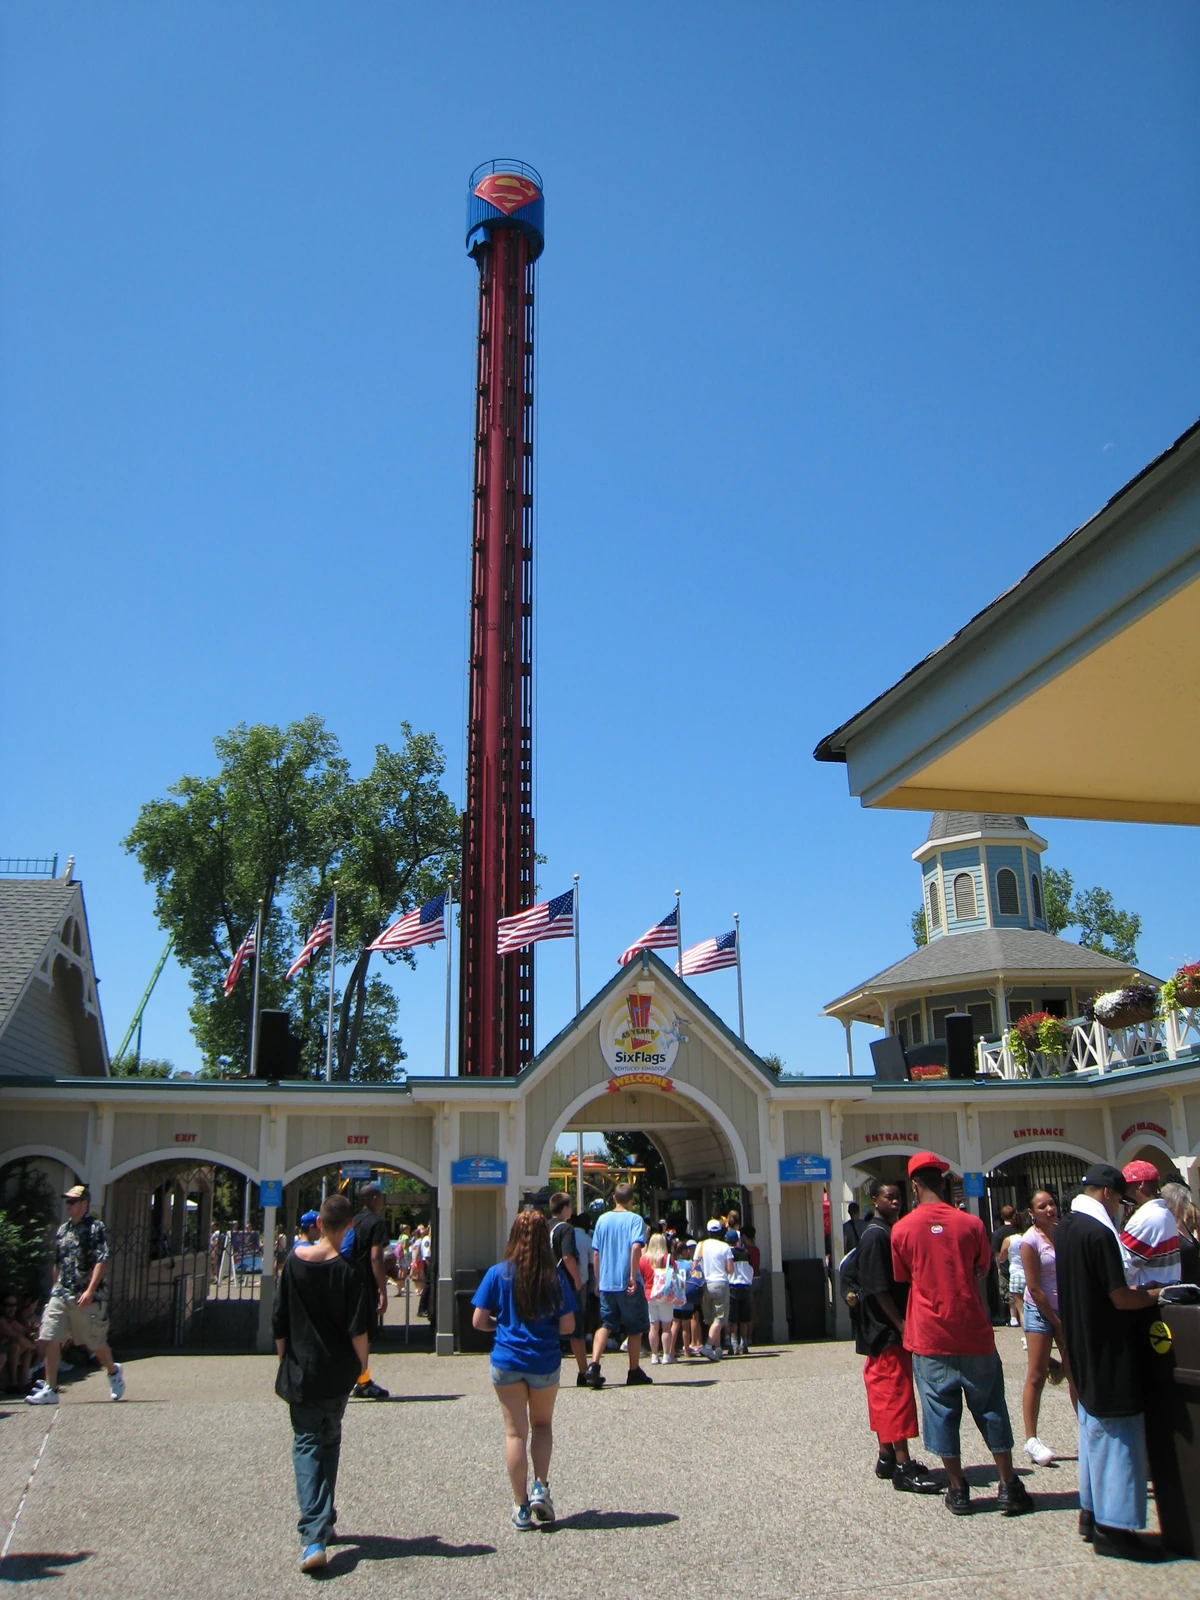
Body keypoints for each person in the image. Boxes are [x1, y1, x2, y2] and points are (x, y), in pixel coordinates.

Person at [890, 1153, 1034, 1518]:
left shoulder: (902, 1230)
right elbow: (982, 1268)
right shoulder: (971, 1225)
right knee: (991, 1408)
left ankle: (957, 1488)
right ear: (943, 1182)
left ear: (914, 1185)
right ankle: (1008, 1483)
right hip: (972, 1330)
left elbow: (904, 1276)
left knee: (940, 1411)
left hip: (929, 1333)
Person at [1056, 1162, 1167, 1561]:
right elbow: (1120, 1296)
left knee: (1093, 1434)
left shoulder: (1066, 1228)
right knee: (1119, 1437)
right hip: (1108, 1348)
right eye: (1120, 1200)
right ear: (1108, 1194)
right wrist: (1154, 1296)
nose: (1121, 1207)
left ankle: (1090, 1511)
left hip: (1082, 1345)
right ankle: (1116, 1526)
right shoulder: (1099, 1232)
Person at [273, 1192, 372, 1573]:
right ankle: (322, 1519)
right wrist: (361, 1366)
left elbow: (279, 1319)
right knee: (328, 1440)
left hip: (302, 1369)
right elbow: (357, 1329)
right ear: (348, 1226)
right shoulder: (350, 1271)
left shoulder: (293, 1264)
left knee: (308, 1444)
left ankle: (314, 1532)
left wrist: (285, 1358)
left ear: (319, 1225)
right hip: (338, 1372)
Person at [472, 1209, 576, 1530]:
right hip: (543, 1361)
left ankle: (520, 1507)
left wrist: (501, 1326)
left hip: (507, 1361)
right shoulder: (554, 1276)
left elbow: (477, 1321)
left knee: (514, 1432)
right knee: (542, 1425)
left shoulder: (497, 1273)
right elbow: (568, 1326)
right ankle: (540, 1488)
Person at [853, 1178, 939, 1494]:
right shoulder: (876, 1237)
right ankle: (903, 1465)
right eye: (889, 1197)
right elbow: (877, 1288)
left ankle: (887, 1455)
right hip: (885, 1330)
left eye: (898, 1197)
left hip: (879, 1330)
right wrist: (901, 1323)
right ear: (874, 1199)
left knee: (884, 1391)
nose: (895, 1202)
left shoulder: (884, 1233)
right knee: (895, 1393)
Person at [26, 1185, 125, 1406]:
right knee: (50, 1336)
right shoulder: (63, 1230)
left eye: (73, 1202)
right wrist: (55, 1289)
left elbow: (101, 1260)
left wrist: (90, 1291)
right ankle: (50, 1388)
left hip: (85, 1297)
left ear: (84, 1204)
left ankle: (113, 1371)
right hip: (62, 1293)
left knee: (94, 1342)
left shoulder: (95, 1228)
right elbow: (58, 1263)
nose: (68, 1205)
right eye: (67, 1202)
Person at [1018, 1191, 1074, 1467]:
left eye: (1051, 1204)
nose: (1050, 1209)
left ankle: (1089, 1434)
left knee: (1075, 1372)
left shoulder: (1064, 1233)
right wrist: (1056, 1323)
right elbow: (1035, 1288)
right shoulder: (1029, 1241)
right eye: (1043, 1206)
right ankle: (1031, 1438)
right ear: (1032, 1212)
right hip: (1040, 1310)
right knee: (1036, 1374)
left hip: (1066, 1308)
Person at [587, 1183, 651, 1387]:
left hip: (606, 1282)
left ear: (614, 1198)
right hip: (627, 1282)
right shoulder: (635, 1220)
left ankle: (594, 1365)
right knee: (634, 1327)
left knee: (606, 1324)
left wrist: (597, 1281)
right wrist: (632, 1276)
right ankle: (633, 1370)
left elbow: (595, 1253)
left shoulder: (602, 1220)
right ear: (632, 1200)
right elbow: (635, 1247)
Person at [348, 1183, 390, 1400]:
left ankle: (348, 1377)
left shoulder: (352, 1221)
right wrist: (383, 1290)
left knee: (349, 1331)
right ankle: (363, 1382)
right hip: (365, 1283)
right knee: (363, 1332)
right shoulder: (377, 1222)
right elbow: (376, 1257)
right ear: (374, 1199)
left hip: (347, 1282)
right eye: (381, 1197)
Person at [548, 1191, 591, 1386]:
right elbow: (568, 1257)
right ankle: (583, 1371)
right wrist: (577, 1279)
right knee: (576, 1328)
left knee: (550, 1327)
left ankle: (548, 1373)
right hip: (564, 1282)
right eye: (570, 1207)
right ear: (565, 1208)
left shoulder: (545, 1227)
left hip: (546, 1281)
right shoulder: (566, 1229)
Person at [1118, 1160, 1181, 1288]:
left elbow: (1122, 1267)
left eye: (1126, 1187)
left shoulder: (1145, 1219)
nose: (1124, 1193)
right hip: (1165, 1292)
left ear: (1140, 1184)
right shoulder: (1164, 1213)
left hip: (1147, 1299)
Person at [692, 1219, 734, 1361]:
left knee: (710, 1318)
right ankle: (709, 1346)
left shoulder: (701, 1245)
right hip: (720, 1283)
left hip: (705, 1284)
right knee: (720, 1318)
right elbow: (730, 1269)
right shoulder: (725, 1247)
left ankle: (718, 1349)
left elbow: (694, 1267)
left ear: (708, 1232)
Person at [644, 1232, 678, 1364]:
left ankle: (654, 1355)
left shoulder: (644, 1259)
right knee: (666, 1327)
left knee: (653, 1326)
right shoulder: (667, 1258)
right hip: (664, 1294)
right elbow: (674, 1272)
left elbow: (643, 1275)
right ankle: (666, 1355)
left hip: (650, 1294)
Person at [1161, 1181, 1200, 1283]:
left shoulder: (1182, 1223)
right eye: (1182, 1202)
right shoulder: (1166, 1225)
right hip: (1183, 1287)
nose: (1185, 1206)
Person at [1, 1291, 37, 1393]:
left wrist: (32, 1336)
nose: (12, 1308)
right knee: (16, 1345)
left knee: (25, 1346)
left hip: (7, 1350)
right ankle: (12, 1383)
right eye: (8, 1305)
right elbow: (17, 1337)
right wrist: (36, 1347)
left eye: (14, 1305)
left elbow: (25, 1331)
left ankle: (25, 1381)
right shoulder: (2, 1321)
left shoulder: (12, 1321)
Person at [989, 1204, 1020, 1322]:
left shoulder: (998, 1233)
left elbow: (997, 1254)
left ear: (1002, 1216)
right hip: (1019, 1265)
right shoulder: (1020, 1231)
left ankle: (1006, 1316)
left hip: (1004, 1267)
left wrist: (998, 1267)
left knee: (1005, 1292)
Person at [726, 1229, 753, 1354]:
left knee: (733, 1318)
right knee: (744, 1318)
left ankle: (734, 1344)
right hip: (745, 1286)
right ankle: (744, 1343)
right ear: (737, 1240)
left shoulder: (727, 1253)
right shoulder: (746, 1252)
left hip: (732, 1286)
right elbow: (750, 1269)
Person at [1002, 1228, 1026, 1334]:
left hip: (1017, 1274)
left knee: (1021, 1310)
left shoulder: (1009, 1240)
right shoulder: (1032, 1236)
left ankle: (1028, 1338)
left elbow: (1002, 1257)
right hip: (1032, 1274)